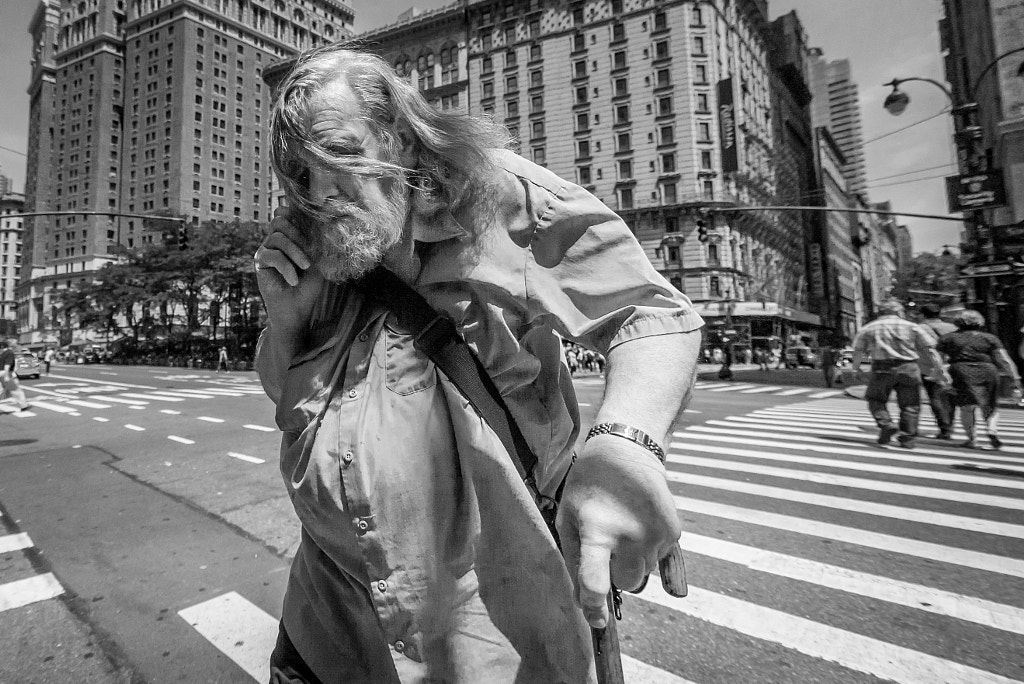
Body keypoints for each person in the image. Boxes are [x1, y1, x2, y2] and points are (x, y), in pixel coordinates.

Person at [253, 46, 703, 683]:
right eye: (300, 174)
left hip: (483, 647)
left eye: (342, 155)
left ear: (403, 140)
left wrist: (623, 450)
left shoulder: (496, 200)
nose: (322, 192)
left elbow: (652, 314)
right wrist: (286, 315)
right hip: (325, 638)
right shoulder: (311, 249)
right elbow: (290, 404)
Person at [850, 300, 947, 449]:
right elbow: (930, 349)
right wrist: (938, 368)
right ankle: (907, 438)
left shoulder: (869, 328)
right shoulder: (912, 327)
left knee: (875, 399)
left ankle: (886, 424)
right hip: (909, 367)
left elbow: (858, 350)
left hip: (881, 368)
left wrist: (855, 369)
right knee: (910, 404)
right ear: (899, 311)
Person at [936, 310, 1020, 449]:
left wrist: (941, 374)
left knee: (966, 407)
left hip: (961, 371)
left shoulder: (948, 338)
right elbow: (1004, 359)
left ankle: (972, 438)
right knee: (990, 405)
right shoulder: (990, 338)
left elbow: (937, 358)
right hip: (988, 370)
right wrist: (1014, 377)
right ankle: (992, 430)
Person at [916, 304, 957, 439]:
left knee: (935, 397)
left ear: (922, 314)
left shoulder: (918, 329)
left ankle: (944, 428)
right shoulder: (952, 327)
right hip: (952, 366)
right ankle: (949, 424)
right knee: (950, 397)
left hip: (929, 368)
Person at [0, 338, 30, 412]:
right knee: (15, 390)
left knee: (1, 390)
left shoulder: (2, 354)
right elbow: (7, 365)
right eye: (15, 342)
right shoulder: (9, 353)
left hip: (1, 372)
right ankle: (23, 405)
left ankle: (23, 405)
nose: (17, 344)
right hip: (6, 373)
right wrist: (7, 376)